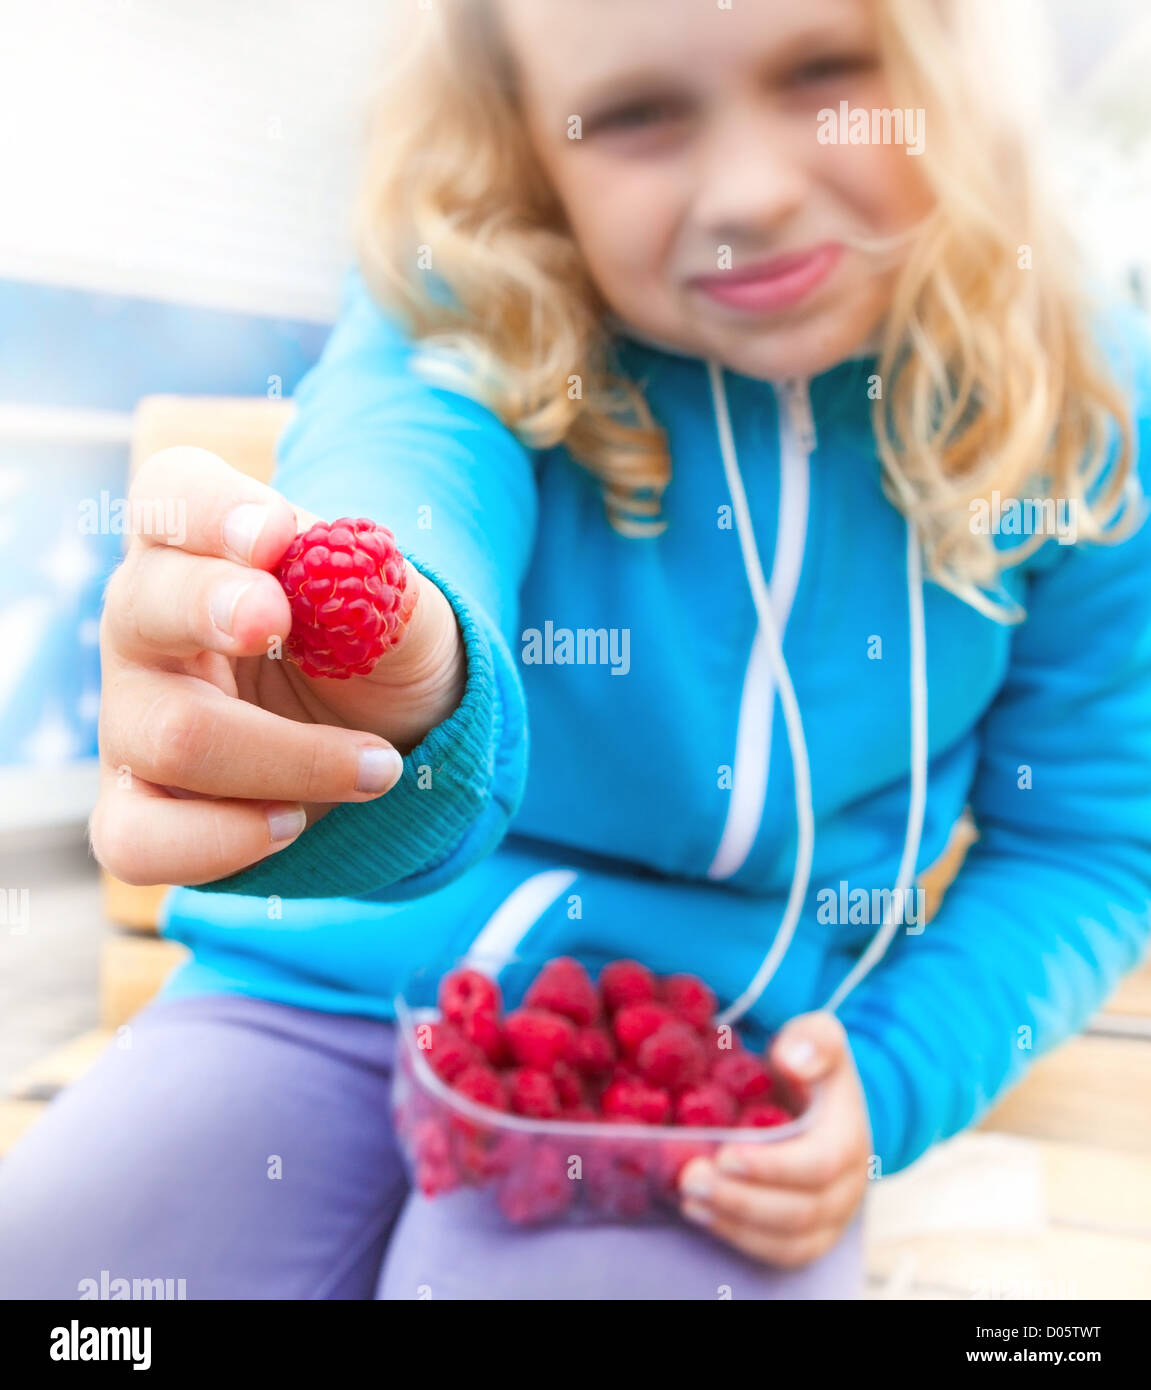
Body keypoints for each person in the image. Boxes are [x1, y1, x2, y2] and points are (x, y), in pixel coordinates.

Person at [2, 0, 1150, 1300]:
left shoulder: (1083, 400)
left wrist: (885, 1080)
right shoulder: (467, 305)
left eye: (828, 71)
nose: (754, 189)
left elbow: (1085, 840)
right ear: (524, 135)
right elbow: (403, 482)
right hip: (308, 991)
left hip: (711, 1061)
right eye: (634, 115)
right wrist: (389, 662)